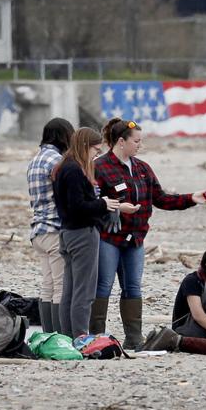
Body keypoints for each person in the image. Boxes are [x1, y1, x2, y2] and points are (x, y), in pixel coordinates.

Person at [89, 117, 206, 343]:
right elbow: (90, 202)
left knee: (133, 286)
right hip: (109, 238)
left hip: (136, 239)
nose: (140, 145)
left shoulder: (142, 168)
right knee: (103, 286)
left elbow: (161, 198)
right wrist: (115, 207)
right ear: (121, 141)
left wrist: (191, 198)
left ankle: (134, 336)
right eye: (136, 141)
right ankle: (96, 336)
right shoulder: (99, 167)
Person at [51, 126, 137, 339]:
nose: (96, 155)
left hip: (67, 233)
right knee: (84, 291)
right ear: (84, 146)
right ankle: (80, 337)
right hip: (82, 234)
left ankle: (68, 337)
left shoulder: (63, 167)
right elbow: (77, 206)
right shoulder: (73, 170)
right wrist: (103, 204)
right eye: (95, 150)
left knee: (70, 291)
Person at [26, 117, 73, 333]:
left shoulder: (35, 160)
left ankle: (47, 333)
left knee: (47, 285)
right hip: (55, 229)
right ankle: (60, 334)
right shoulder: (57, 161)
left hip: (38, 230)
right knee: (60, 287)